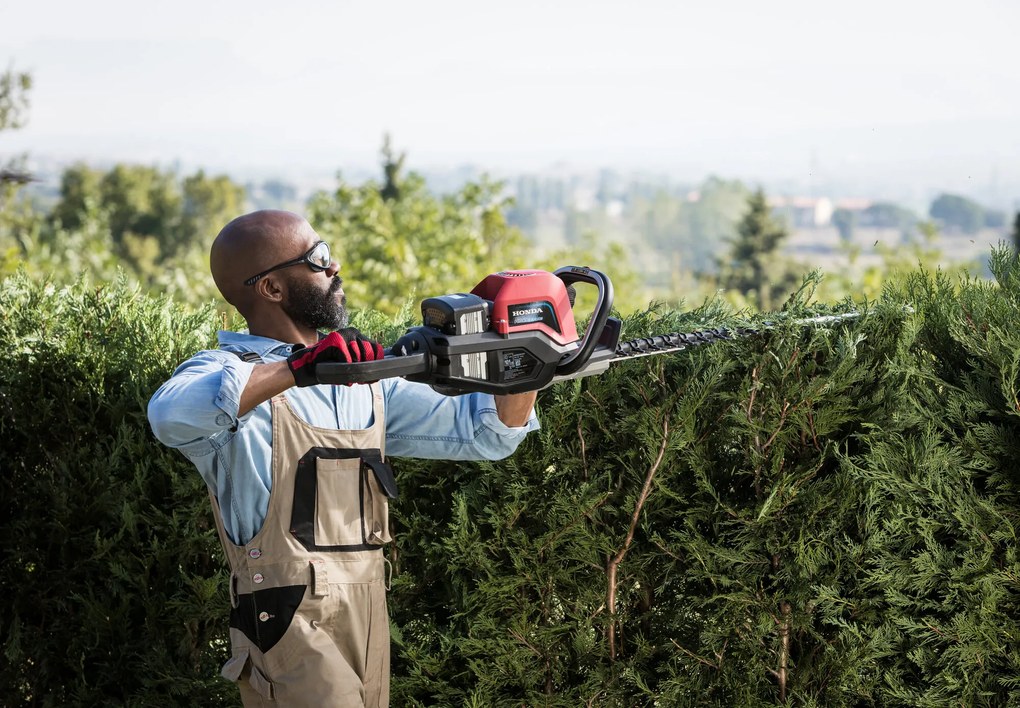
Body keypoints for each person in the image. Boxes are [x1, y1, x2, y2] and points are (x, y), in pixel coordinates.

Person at [147, 210, 538, 707]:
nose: (335, 268)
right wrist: (296, 369)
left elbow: (487, 432)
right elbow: (169, 415)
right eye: (318, 258)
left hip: (368, 604)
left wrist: (524, 365)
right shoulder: (225, 373)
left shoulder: (362, 380)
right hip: (285, 612)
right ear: (271, 288)